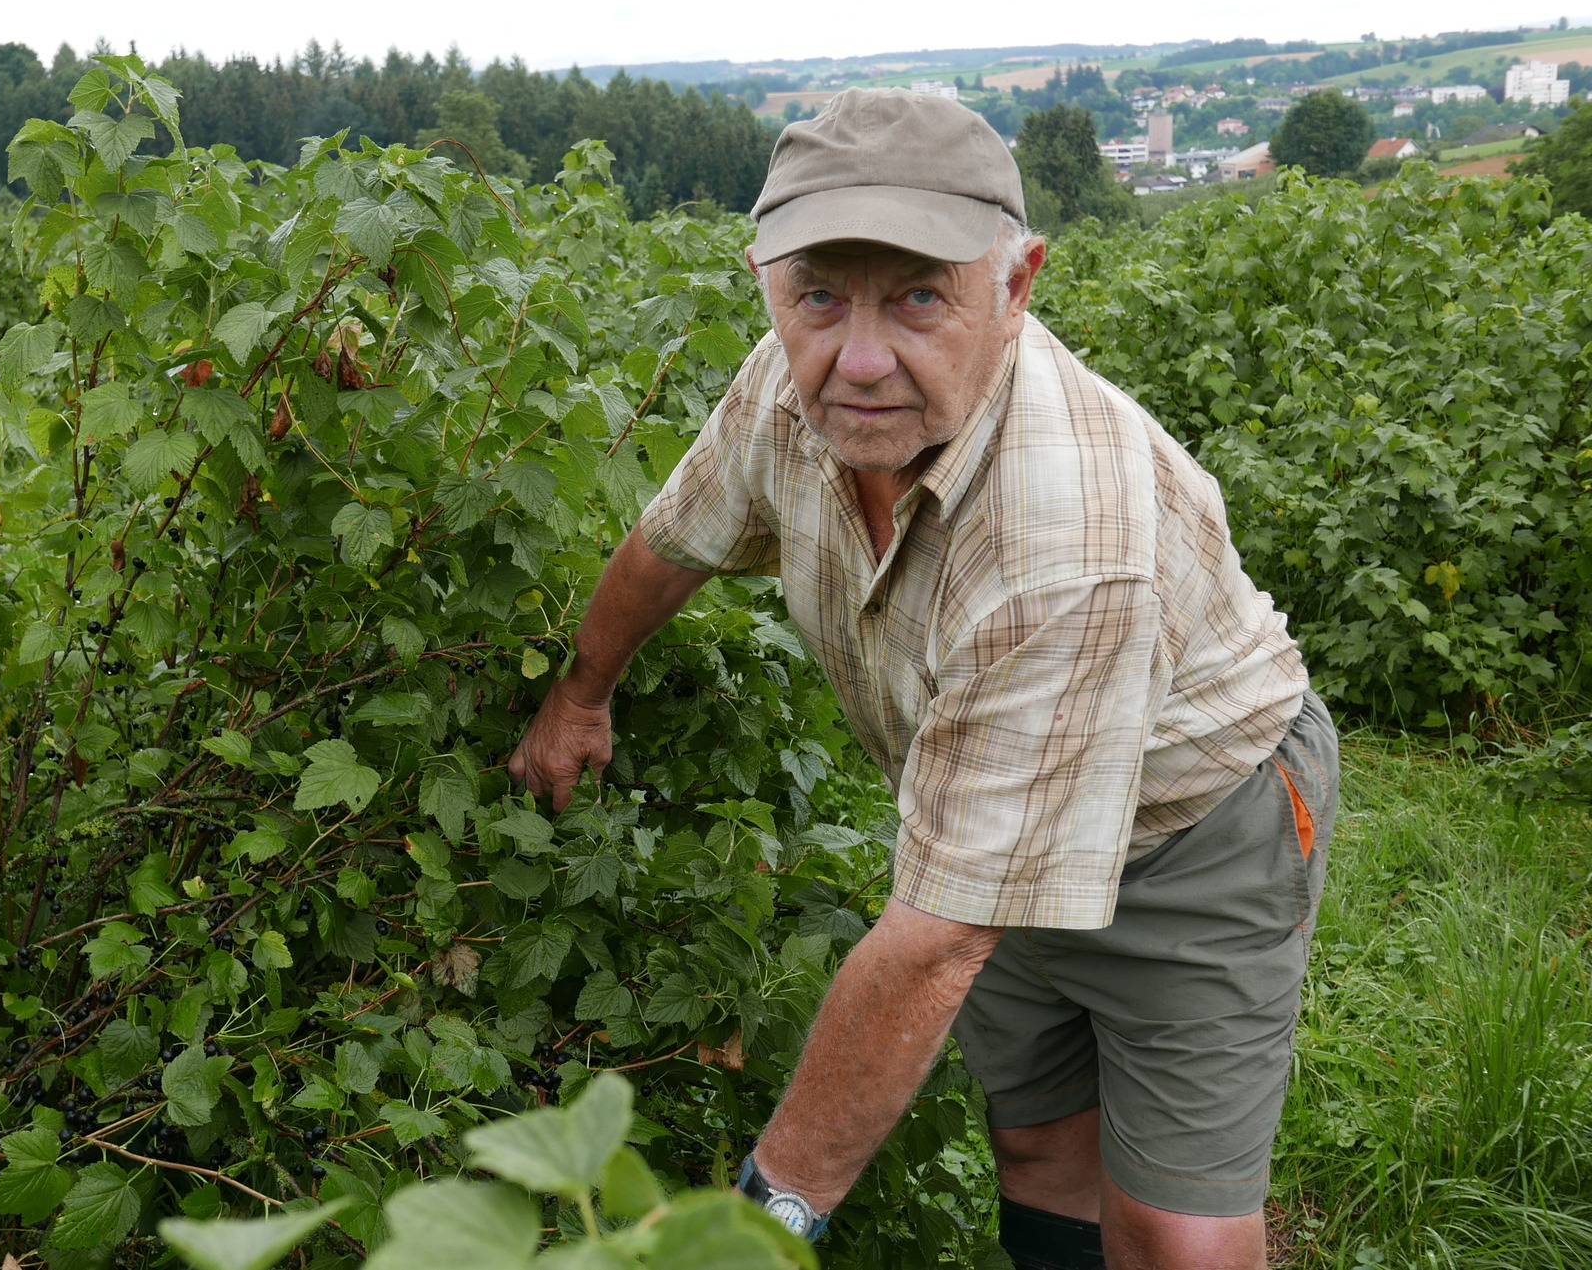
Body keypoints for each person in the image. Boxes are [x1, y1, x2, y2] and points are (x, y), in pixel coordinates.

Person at [508, 88, 1337, 1270]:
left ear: (1014, 287)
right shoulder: (787, 393)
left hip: (1195, 825)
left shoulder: (1065, 540)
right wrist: (577, 693)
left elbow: (938, 941)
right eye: (818, 295)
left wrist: (757, 1225)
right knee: (1042, 1149)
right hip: (983, 811)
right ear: (765, 280)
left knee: (1173, 1230)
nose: (858, 358)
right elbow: (672, 540)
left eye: (916, 295)